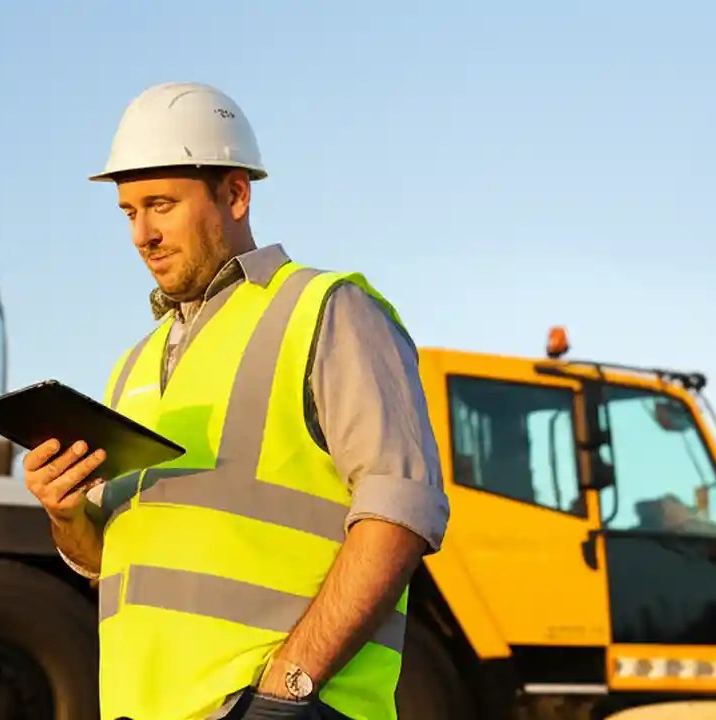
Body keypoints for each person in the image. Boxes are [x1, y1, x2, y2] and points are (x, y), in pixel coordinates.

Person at [22, 81, 450, 720]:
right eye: (129, 212)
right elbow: (115, 562)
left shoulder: (325, 310)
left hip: (284, 708)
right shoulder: (133, 365)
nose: (143, 234)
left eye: (161, 205)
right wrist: (66, 516)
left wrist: (289, 688)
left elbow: (401, 512)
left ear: (236, 194)